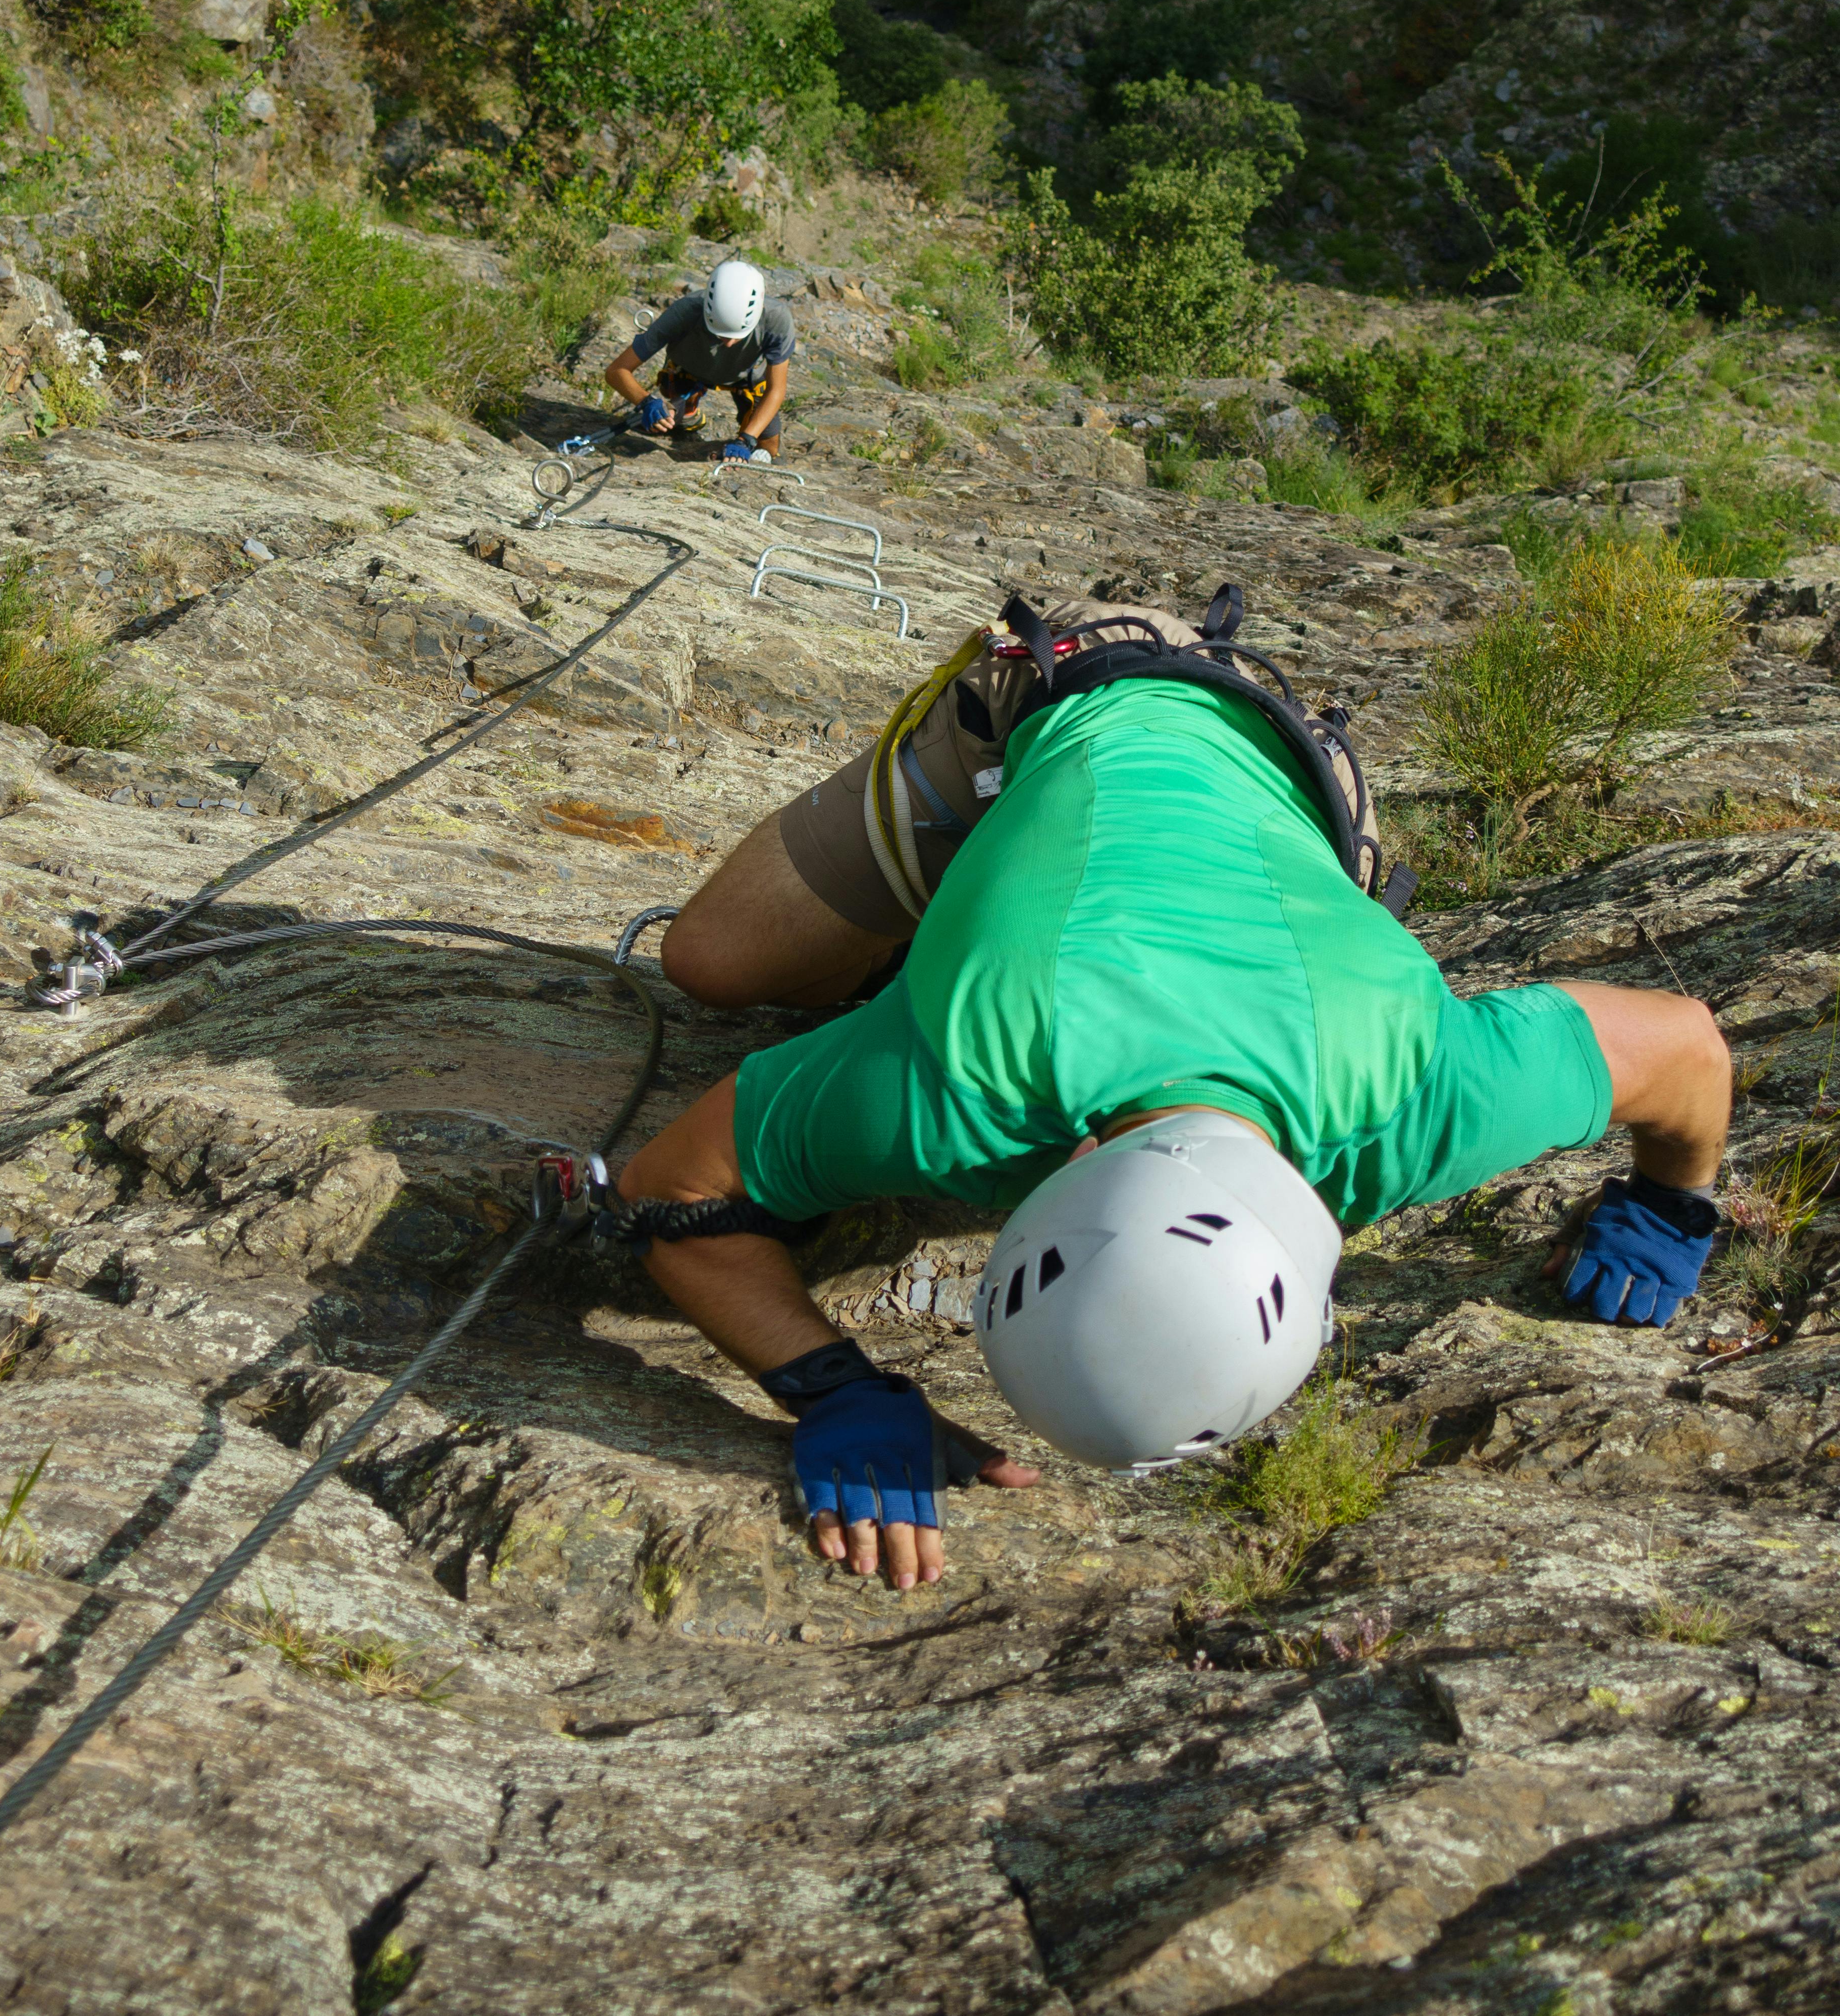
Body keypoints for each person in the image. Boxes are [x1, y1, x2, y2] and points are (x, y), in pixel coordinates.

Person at [616, 594, 1729, 1592]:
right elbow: (669, 1189)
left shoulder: (1419, 1086)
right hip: (1066, 689)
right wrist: (825, 1387)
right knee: (709, 963)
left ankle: (952, 899)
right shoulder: (968, 1073)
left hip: (1281, 764)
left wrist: (1671, 1205)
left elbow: (1683, 1053)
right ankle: (952, 871)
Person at [607, 258, 795, 465]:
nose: (730, 344)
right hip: (689, 372)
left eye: (738, 335)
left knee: (769, 447)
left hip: (747, 380)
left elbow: (776, 390)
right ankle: (688, 412)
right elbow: (617, 371)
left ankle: (757, 441)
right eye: (722, 335)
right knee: (662, 422)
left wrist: (747, 439)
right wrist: (647, 402)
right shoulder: (685, 312)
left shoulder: (777, 320)